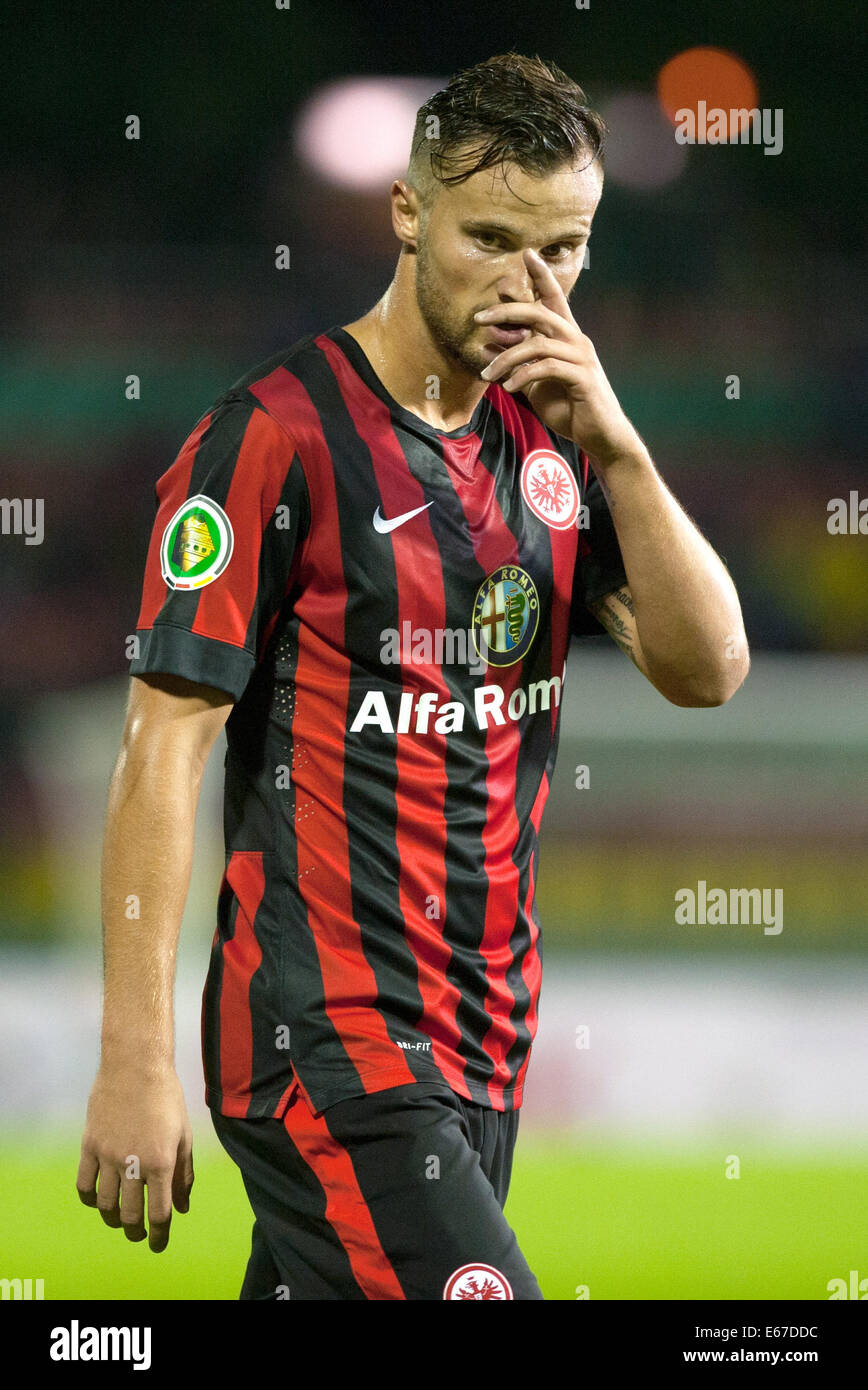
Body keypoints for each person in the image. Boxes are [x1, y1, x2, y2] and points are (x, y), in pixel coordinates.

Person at [76, 52, 749, 1300]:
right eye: (490, 238)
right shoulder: (270, 441)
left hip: (483, 1041)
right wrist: (132, 1056)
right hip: (321, 1039)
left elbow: (709, 668)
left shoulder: (552, 443)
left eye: (564, 249)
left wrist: (623, 446)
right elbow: (157, 749)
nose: (528, 284)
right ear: (405, 211)